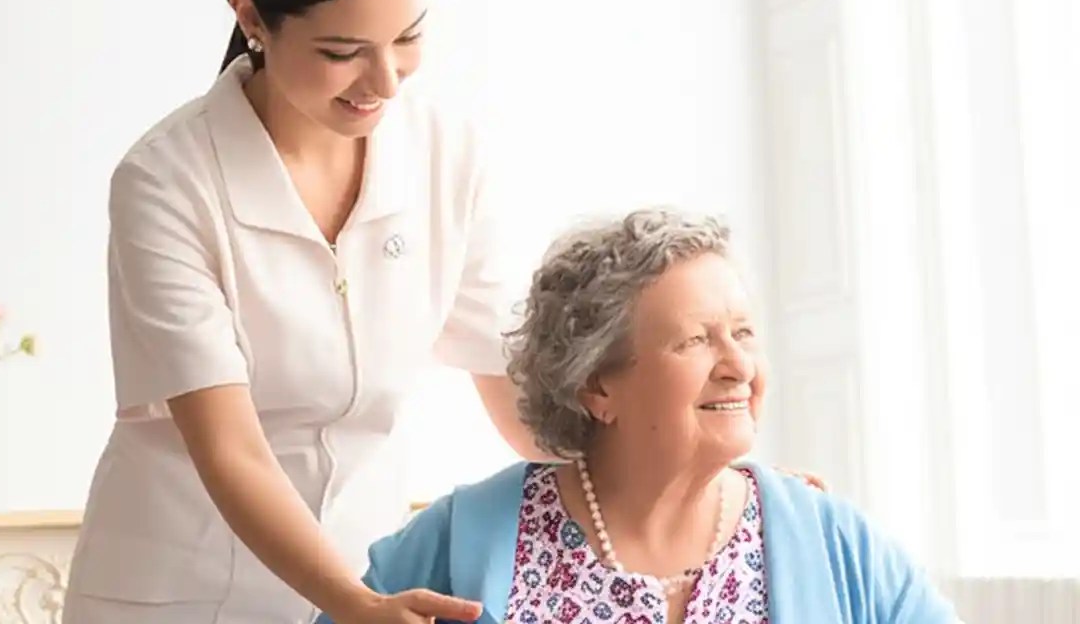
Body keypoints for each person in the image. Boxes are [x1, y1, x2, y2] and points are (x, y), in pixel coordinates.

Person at [61, 0, 538, 622]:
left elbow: (521, 395)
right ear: (251, 17)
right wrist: (351, 604)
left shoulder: (446, 155)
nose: (384, 79)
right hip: (179, 594)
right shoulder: (167, 180)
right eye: (342, 50)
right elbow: (231, 451)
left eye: (406, 37)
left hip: (364, 578)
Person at [317, 208, 962, 624]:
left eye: (744, 332)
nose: (738, 364)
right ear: (598, 385)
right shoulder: (463, 538)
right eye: (696, 341)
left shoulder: (830, 541)